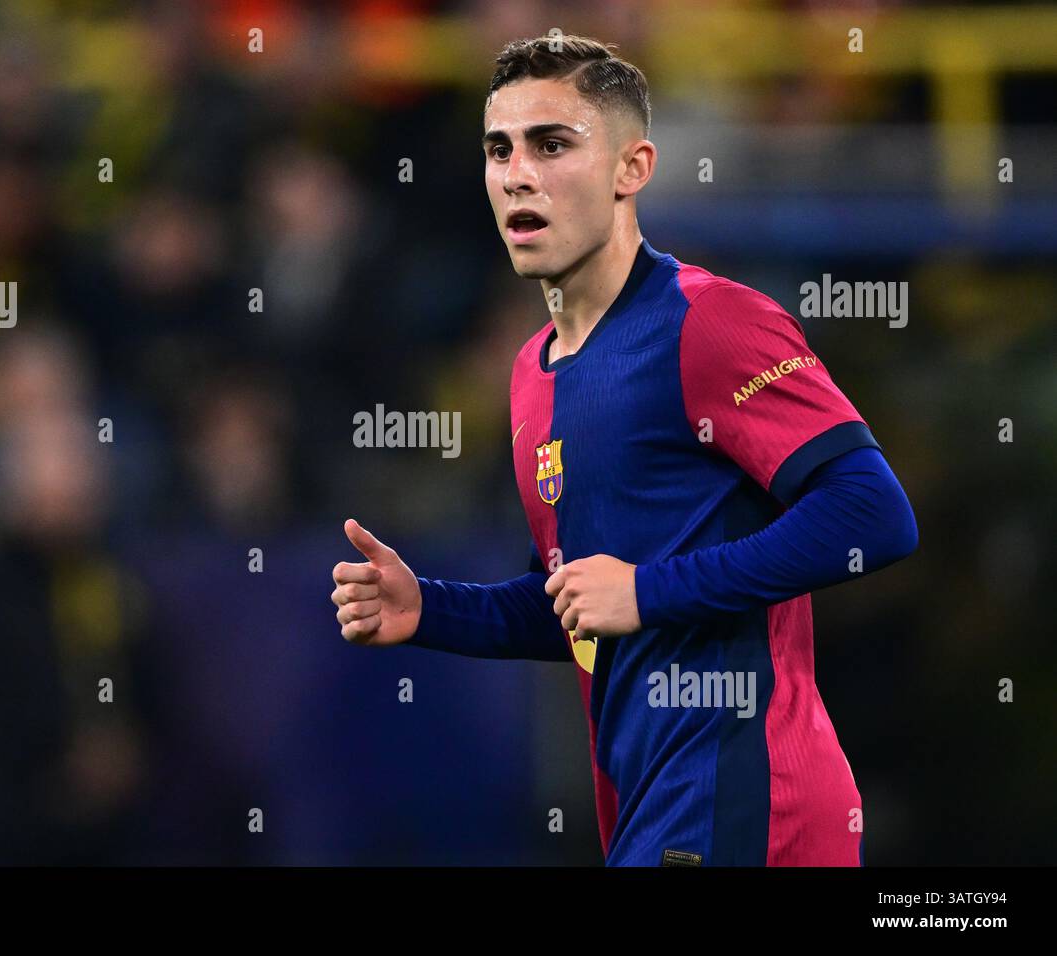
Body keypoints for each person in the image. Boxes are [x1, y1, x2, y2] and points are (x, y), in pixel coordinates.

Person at [330, 35, 917, 866]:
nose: (517, 173)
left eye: (552, 143)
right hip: (650, 809)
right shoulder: (532, 375)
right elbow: (584, 606)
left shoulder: (710, 322)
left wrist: (650, 589)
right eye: (499, 149)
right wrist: (432, 608)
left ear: (631, 168)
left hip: (745, 797)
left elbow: (875, 515)